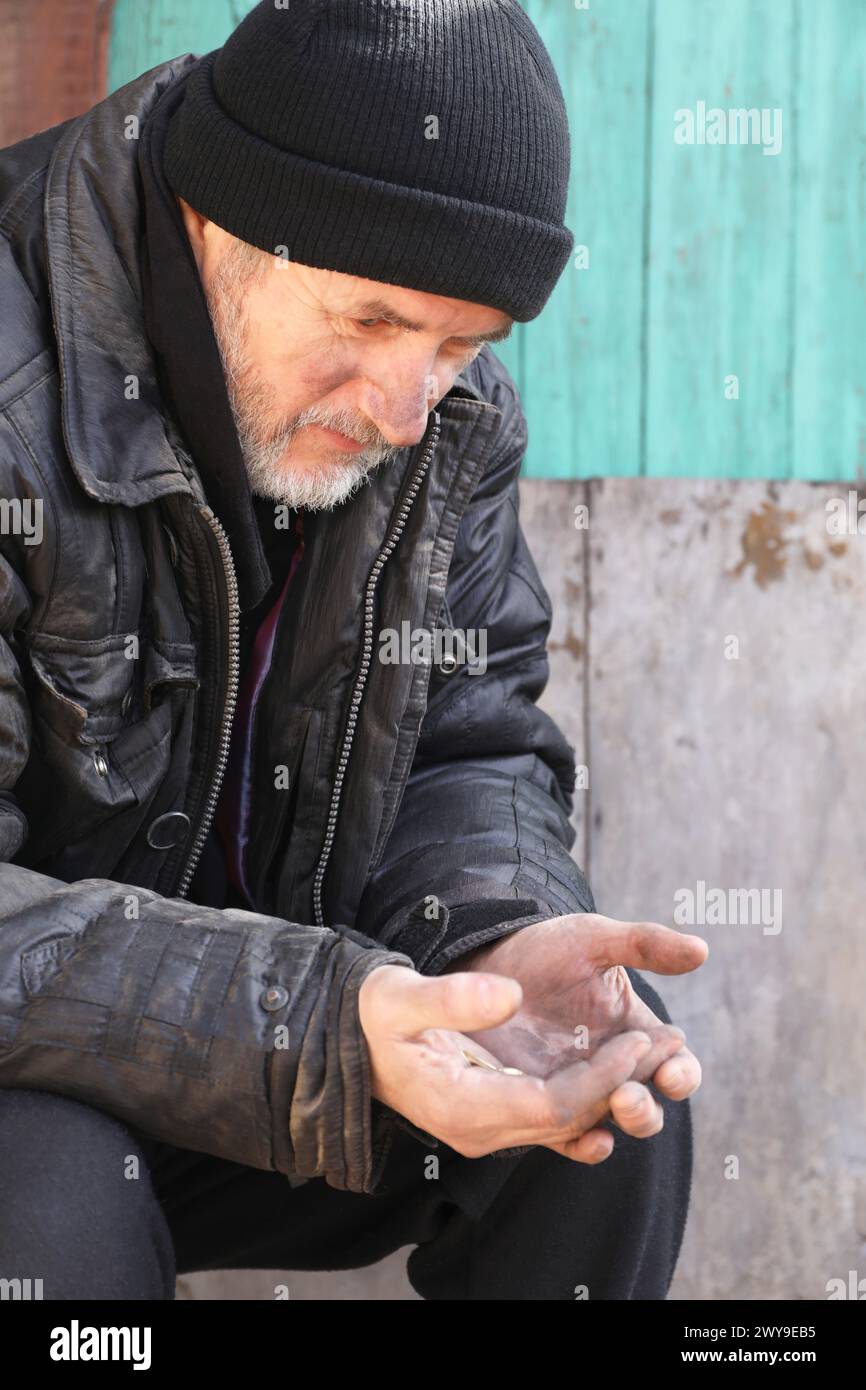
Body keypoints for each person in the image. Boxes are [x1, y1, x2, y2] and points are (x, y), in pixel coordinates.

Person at [0, 0, 705, 1300]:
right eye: (371, 322)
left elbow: (465, 737)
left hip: (297, 1043)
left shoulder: (449, 415)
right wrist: (315, 1016)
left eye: (460, 344)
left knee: (596, 1096)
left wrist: (490, 941)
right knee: (40, 1188)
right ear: (221, 220)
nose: (403, 405)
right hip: (35, 1081)